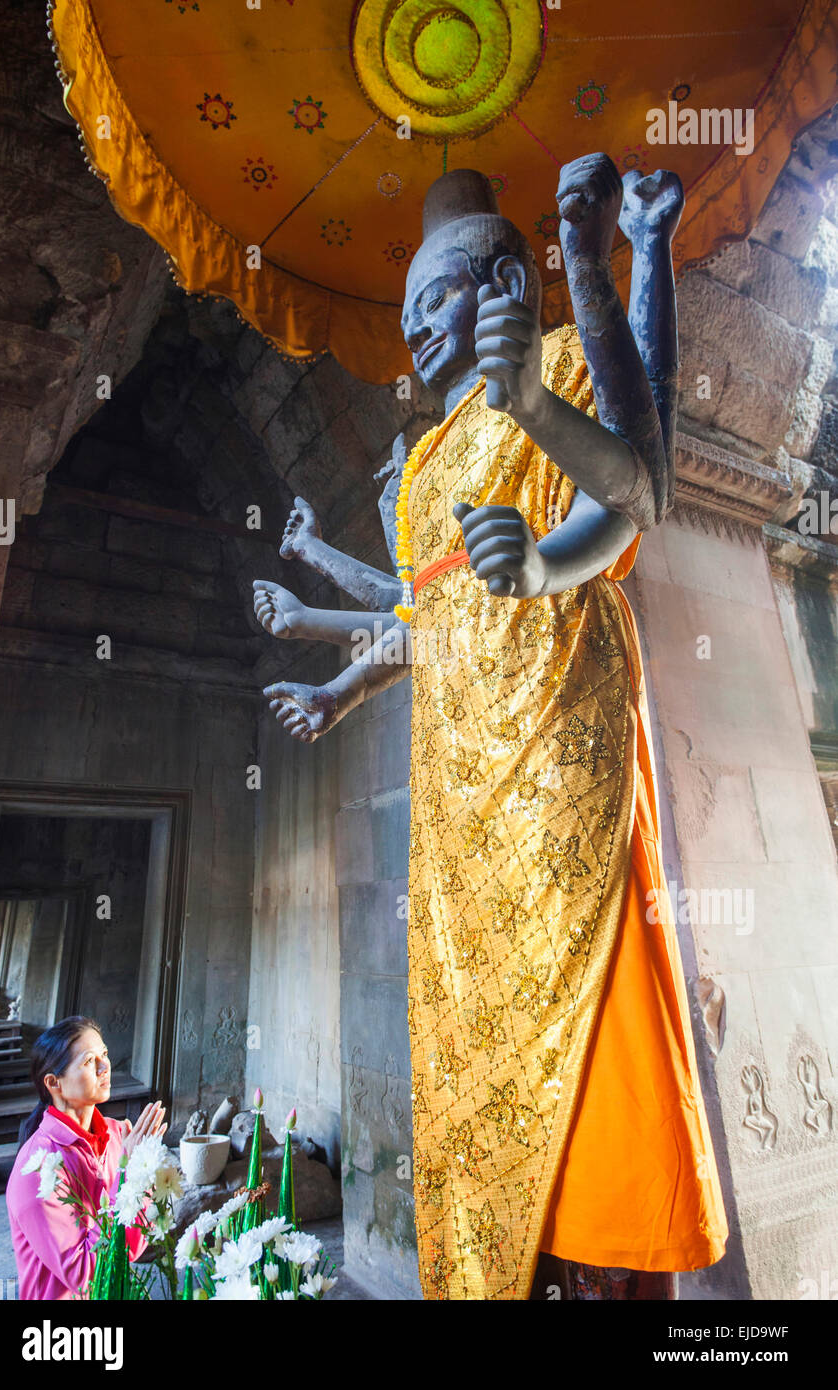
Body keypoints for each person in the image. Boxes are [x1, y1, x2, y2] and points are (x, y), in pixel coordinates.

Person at [253, 157, 728, 1299]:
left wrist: (610, 270)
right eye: (408, 313)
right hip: (459, 789)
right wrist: (336, 687)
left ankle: (614, 1264)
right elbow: (423, 615)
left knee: (591, 1040)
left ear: (506, 282)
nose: (417, 332)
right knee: (479, 1054)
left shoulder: (558, 364)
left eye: (439, 302)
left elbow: (631, 503)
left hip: (558, 739)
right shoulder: (418, 471)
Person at [6, 1016, 167, 1300]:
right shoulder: (36, 1168)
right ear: (54, 1083)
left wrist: (142, 1174)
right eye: (89, 1061)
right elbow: (86, 1273)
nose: (106, 1067)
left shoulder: (118, 1136)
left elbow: (131, 1245)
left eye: (104, 1054)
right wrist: (129, 1177)